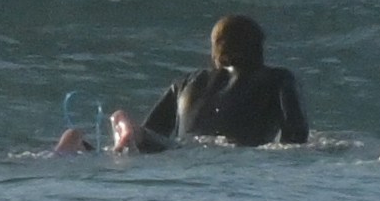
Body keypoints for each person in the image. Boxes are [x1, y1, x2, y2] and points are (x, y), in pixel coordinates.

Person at [126, 14, 308, 151]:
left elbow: (149, 136)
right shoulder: (279, 79)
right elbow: (296, 135)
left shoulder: (184, 84)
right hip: (239, 159)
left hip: (187, 155)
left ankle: (122, 125)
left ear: (217, 49)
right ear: (258, 48)